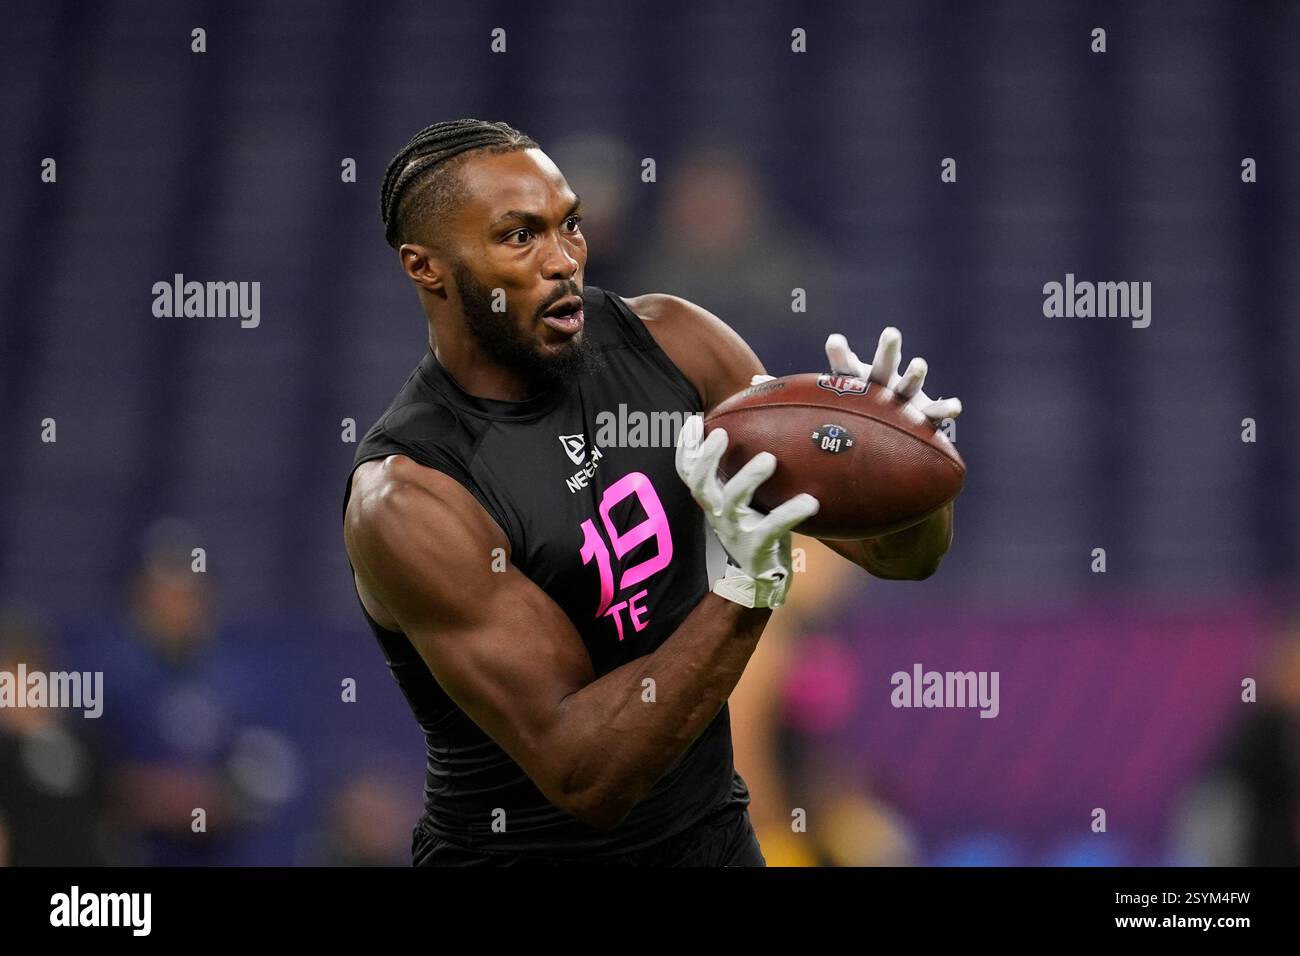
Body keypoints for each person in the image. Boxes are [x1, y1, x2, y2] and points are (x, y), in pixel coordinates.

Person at [341, 118, 963, 866]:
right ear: (426, 267)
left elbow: (904, 559)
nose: (563, 259)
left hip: (711, 842)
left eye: (570, 224)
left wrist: (902, 468)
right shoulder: (412, 495)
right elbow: (586, 774)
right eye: (519, 236)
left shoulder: (674, 343)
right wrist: (745, 589)